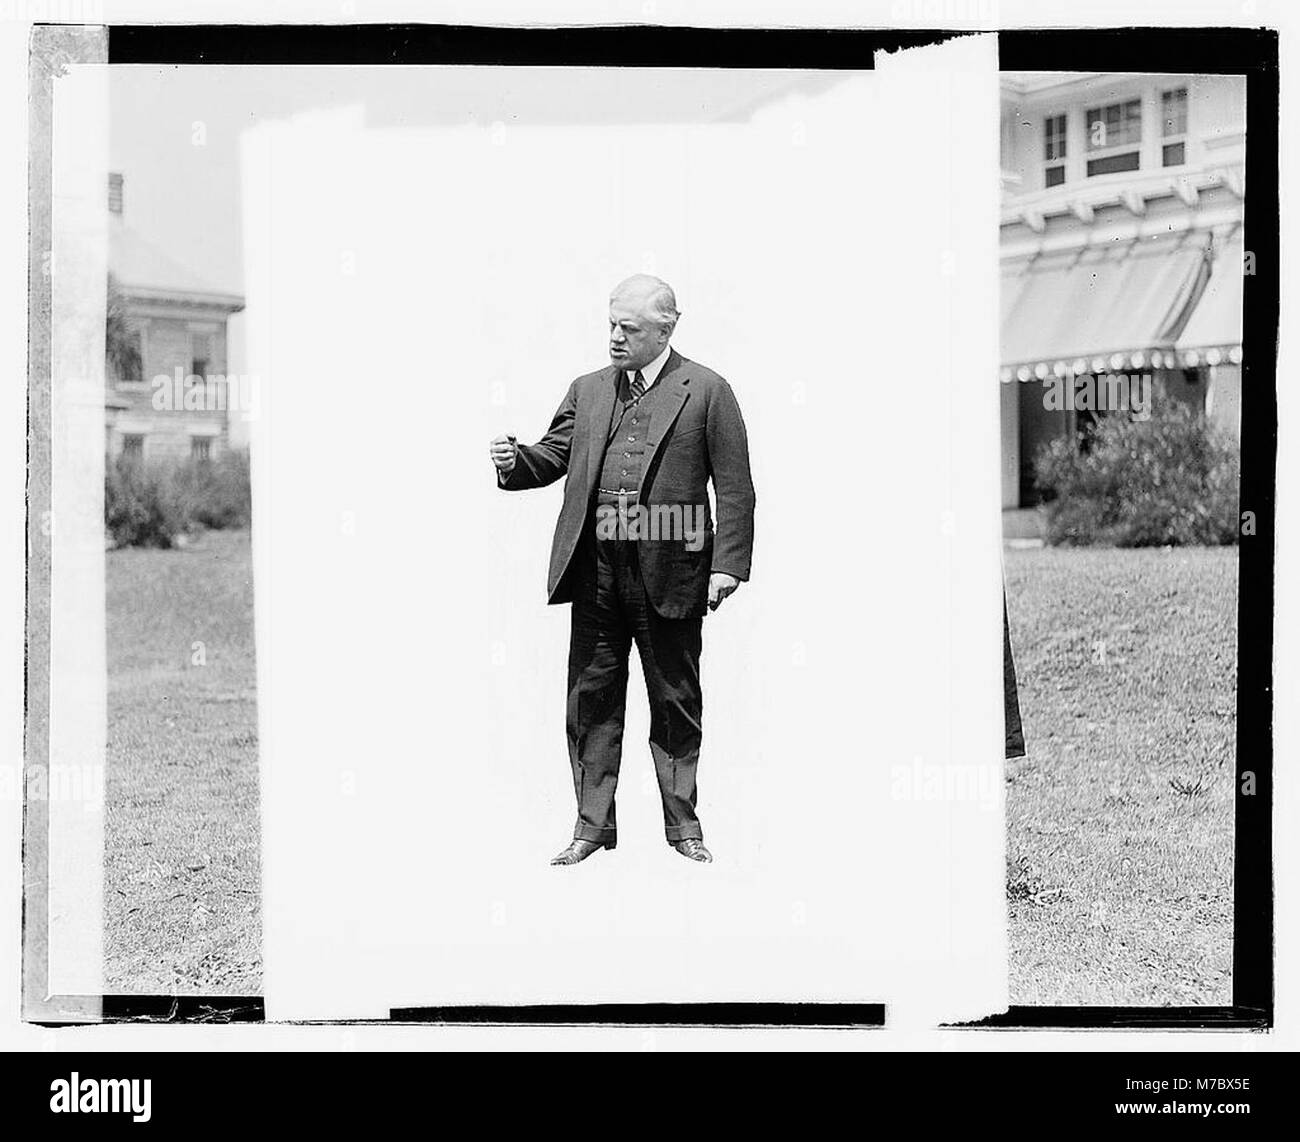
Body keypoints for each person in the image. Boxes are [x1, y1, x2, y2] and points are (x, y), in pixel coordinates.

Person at [490, 274, 755, 865]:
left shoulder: (708, 390)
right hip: (595, 571)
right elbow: (551, 457)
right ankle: (591, 827)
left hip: (672, 571)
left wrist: (727, 566)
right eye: (610, 323)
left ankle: (684, 828)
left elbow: (735, 487)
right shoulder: (588, 390)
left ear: (666, 328)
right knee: (590, 703)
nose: (613, 336)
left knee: (676, 702)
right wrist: (515, 461)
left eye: (628, 328)